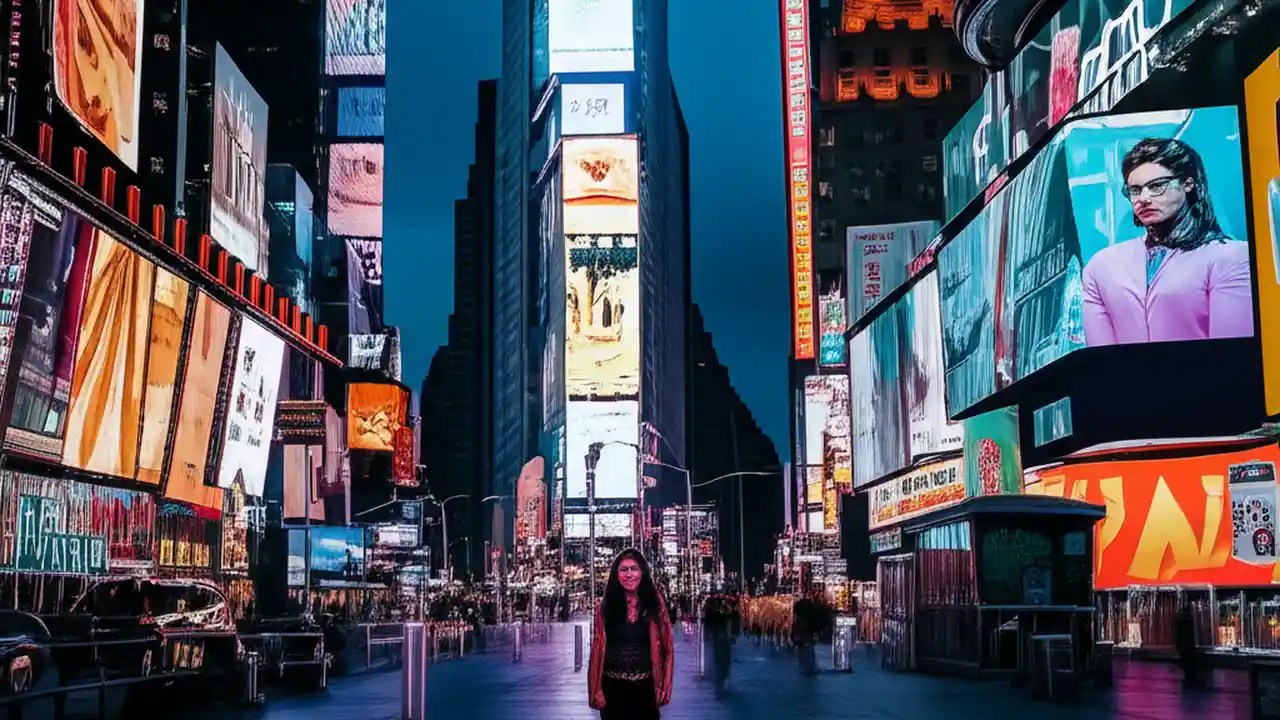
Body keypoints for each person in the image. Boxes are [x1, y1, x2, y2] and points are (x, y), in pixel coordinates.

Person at [1082, 137, 1253, 346]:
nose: (1143, 198)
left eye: (1157, 186)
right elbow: (1102, 363)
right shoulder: (1102, 266)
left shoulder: (1229, 257)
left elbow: (1231, 354)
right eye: (1135, 190)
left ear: (1187, 183)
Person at [588, 549, 674, 718]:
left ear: (642, 572)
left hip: (645, 689)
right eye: (623, 570)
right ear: (616, 575)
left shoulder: (654, 603)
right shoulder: (605, 606)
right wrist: (595, 690)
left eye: (634, 569)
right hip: (612, 689)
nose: (629, 575)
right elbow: (597, 651)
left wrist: (664, 686)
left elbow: (668, 647)